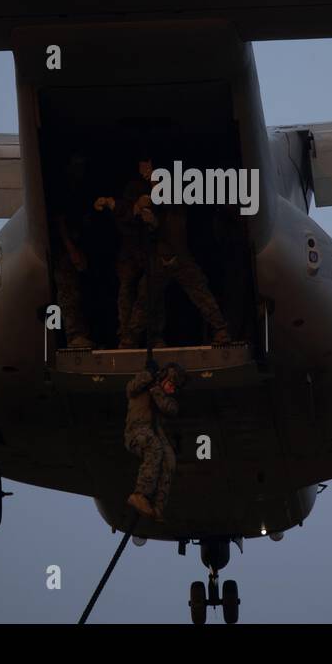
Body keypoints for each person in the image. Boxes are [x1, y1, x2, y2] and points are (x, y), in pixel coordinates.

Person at [126, 178, 231, 347]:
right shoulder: (151, 201)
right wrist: (143, 212)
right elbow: (144, 222)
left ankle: (220, 329)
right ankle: (133, 338)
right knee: (145, 299)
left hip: (180, 257)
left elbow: (172, 225)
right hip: (158, 258)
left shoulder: (175, 203)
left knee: (200, 293)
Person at [94, 157, 154, 348]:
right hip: (131, 254)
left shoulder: (145, 206)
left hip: (146, 254)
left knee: (147, 294)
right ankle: (128, 335)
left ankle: (136, 335)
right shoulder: (126, 207)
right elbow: (119, 207)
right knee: (128, 293)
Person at [124, 362, 187, 520]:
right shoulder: (144, 386)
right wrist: (148, 375)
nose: (172, 390)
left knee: (169, 460)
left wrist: (157, 391)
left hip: (154, 434)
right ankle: (140, 495)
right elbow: (130, 389)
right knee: (154, 447)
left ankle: (157, 507)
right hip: (137, 431)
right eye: (171, 385)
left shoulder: (163, 397)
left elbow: (170, 409)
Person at [51, 153, 94, 348]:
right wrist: (71, 250)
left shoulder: (79, 190)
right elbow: (60, 222)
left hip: (77, 246)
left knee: (78, 292)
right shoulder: (64, 191)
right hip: (66, 251)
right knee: (68, 293)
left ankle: (81, 335)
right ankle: (74, 335)